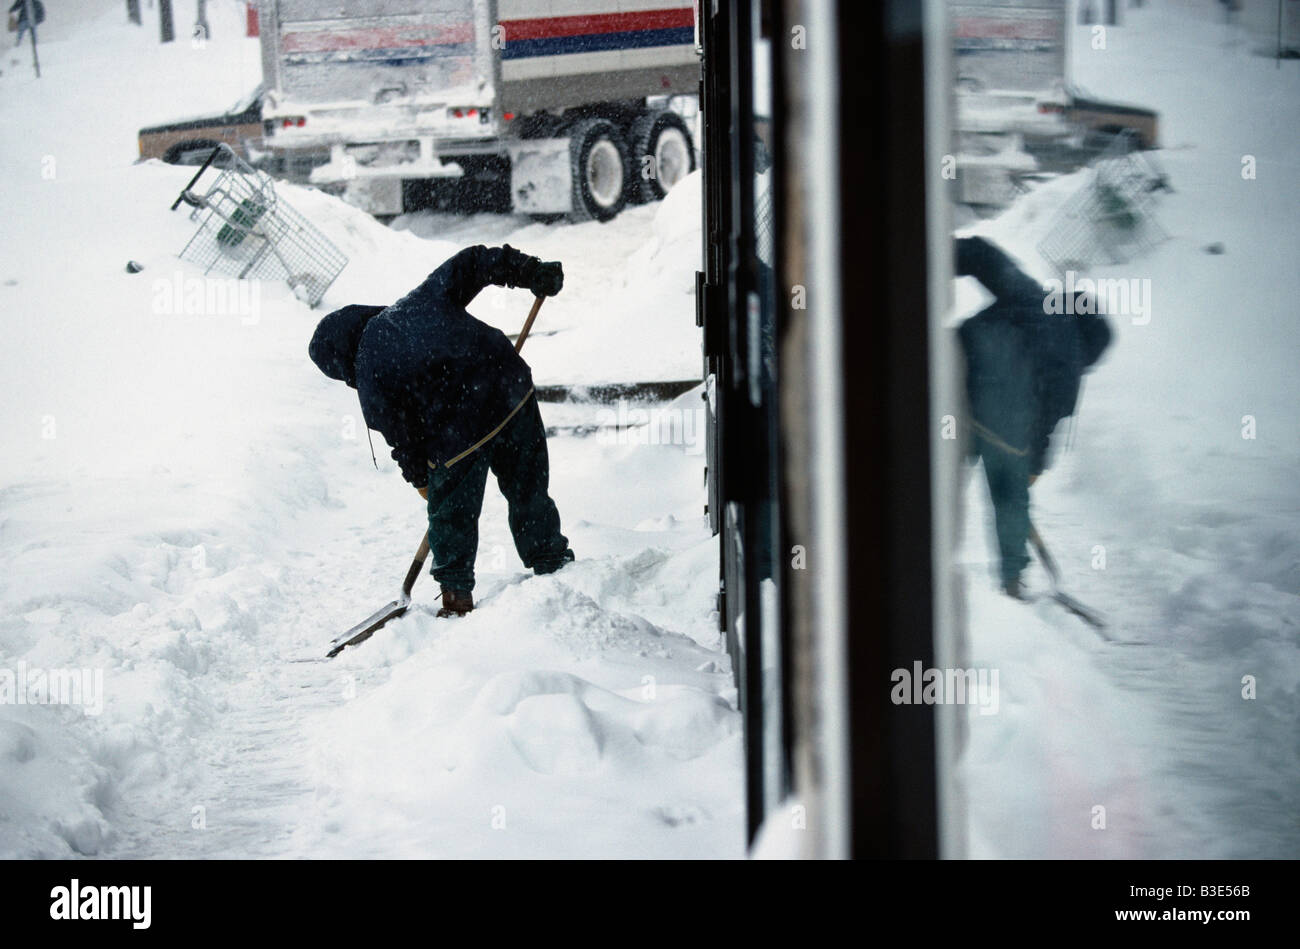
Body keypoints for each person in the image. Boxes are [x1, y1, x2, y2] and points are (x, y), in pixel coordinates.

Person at [309, 244, 574, 617]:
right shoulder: (416, 302)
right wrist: (528, 272)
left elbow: (404, 439)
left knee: (451, 513)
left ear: (339, 362)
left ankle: (455, 596)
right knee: (527, 486)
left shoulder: (369, 372)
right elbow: (473, 263)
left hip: (459, 430)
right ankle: (552, 562)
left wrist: (423, 480)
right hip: (510, 388)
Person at [955, 236, 1112, 599]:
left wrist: (936, 258)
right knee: (1012, 499)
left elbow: (981, 254)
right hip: (1005, 433)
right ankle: (1012, 580)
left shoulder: (1031, 294)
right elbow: (1044, 430)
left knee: (928, 480)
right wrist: (1032, 469)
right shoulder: (1072, 368)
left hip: (954, 390)